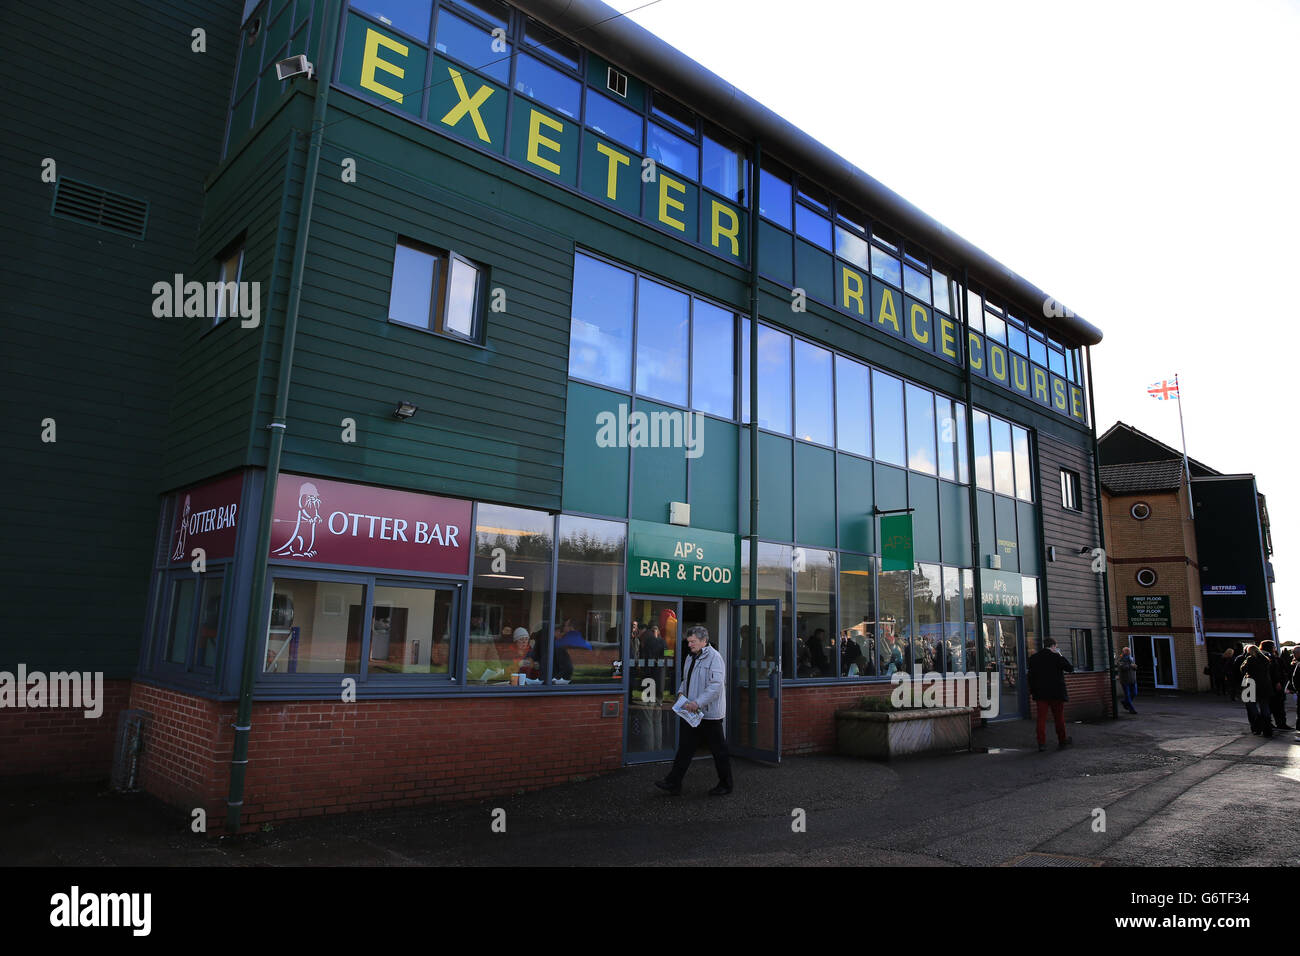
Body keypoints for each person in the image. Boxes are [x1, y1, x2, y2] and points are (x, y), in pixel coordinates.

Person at [655, 625, 732, 796]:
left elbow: (716, 686)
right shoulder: (691, 657)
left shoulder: (715, 658)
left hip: (710, 714)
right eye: (689, 641)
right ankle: (673, 782)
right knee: (685, 748)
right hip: (692, 713)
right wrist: (682, 691)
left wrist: (697, 702)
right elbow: (686, 679)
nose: (689, 645)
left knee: (719, 751)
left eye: (693, 642)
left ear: (704, 641)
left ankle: (726, 784)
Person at [1027, 636, 1074, 751]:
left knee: (1041, 718)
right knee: (1058, 717)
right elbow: (1070, 668)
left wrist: (1032, 691)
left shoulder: (1034, 658)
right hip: (1056, 692)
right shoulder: (1057, 657)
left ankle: (1041, 743)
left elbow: (1030, 677)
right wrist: (1060, 655)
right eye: (1056, 647)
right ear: (1053, 646)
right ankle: (1062, 740)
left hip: (1041, 693)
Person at [1238, 644, 1275, 738]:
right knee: (1265, 707)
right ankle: (1267, 728)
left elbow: (1242, 669)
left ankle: (1258, 725)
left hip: (1251, 684)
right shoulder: (1266, 659)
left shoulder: (1250, 659)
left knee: (1252, 707)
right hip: (1265, 685)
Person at [1260, 640, 1289, 730]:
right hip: (1274, 684)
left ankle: (1270, 723)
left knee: (1270, 705)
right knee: (1278, 705)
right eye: (1274, 646)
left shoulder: (1261, 657)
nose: (1275, 648)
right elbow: (1275, 671)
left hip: (1268, 685)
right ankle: (1280, 723)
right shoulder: (1271, 658)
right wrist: (1277, 682)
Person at [1117, 646, 1138, 714]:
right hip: (1125, 680)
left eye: (1129, 651)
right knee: (1127, 695)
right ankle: (1131, 709)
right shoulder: (1121, 659)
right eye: (1127, 651)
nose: (1129, 652)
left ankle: (1125, 702)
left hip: (1132, 679)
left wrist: (1135, 667)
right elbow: (1122, 667)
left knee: (1134, 693)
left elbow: (1134, 667)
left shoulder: (1131, 658)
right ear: (1124, 652)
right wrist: (1130, 666)